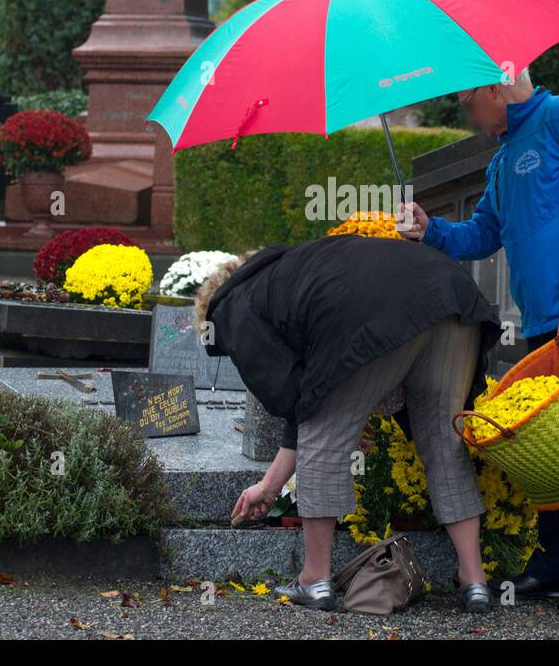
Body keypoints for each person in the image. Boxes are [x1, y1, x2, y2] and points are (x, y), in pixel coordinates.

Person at [399, 66, 559, 615]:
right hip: (548, 320)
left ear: (493, 88)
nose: (467, 115)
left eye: (467, 103)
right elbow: (483, 234)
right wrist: (430, 230)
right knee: (558, 445)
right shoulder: (502, 160)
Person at [196, 233, 503, 613]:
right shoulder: (296, 269)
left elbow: (297, 402)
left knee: (323, 441)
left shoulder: (232, 307)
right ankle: (475, 583)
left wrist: (340, 419)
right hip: (452, 295)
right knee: (445, 445)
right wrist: (271, 486)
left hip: (379, 310)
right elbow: (305, 397)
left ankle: (314, 580)